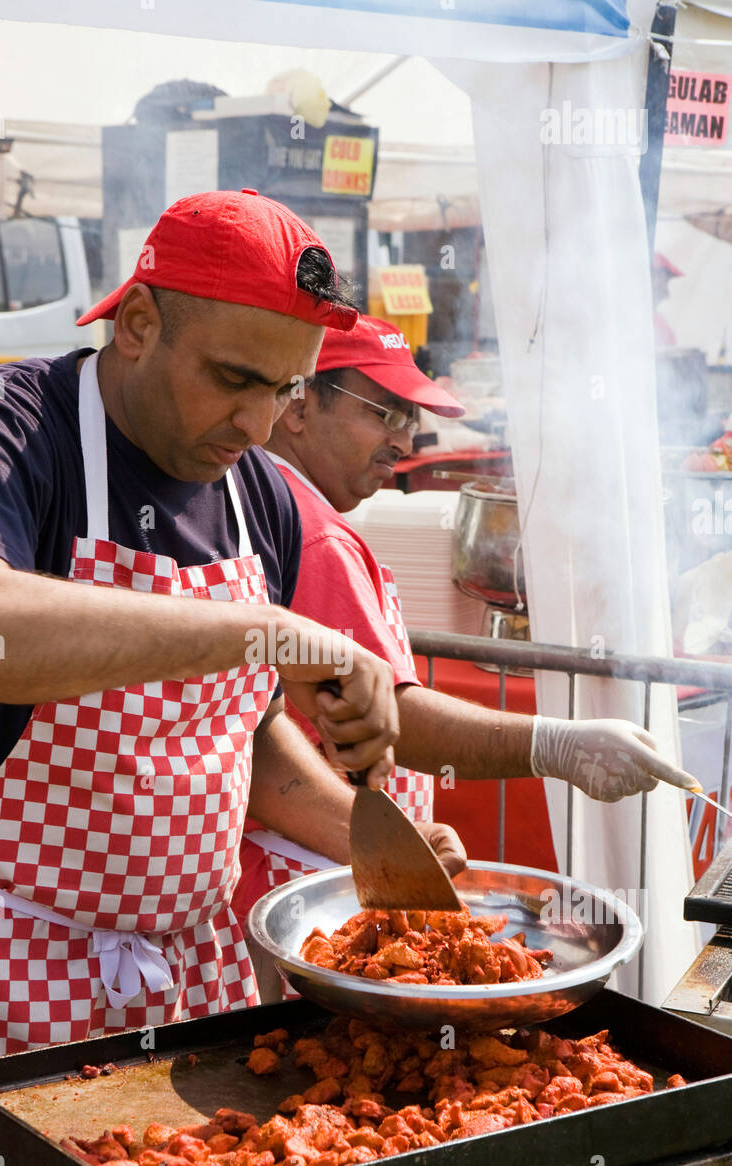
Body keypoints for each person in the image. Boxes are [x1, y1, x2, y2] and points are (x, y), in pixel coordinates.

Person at [0, 197, 463, 1166]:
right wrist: (260, 630)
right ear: (136, 322)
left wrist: (375, 852)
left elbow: (238, 738)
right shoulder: (7, 428)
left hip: (184, 980)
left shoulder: (257, 501)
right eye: (231, 378)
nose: (254, 421)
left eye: (280, 389)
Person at [234, 313, 697, 927]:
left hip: (323, 857)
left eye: (411, 419)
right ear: (297, 405)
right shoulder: (317, 535)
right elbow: (397, 717)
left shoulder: (273, 502)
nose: (406, 441)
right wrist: (552, 744)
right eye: (384, 412)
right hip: (317, 875)